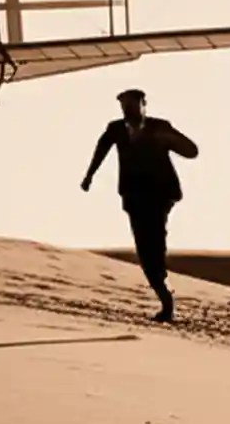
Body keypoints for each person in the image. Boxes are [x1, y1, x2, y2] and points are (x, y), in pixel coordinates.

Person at [80, 88, 198, 323]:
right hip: (134, 197)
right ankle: (163, 293)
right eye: (124, 107)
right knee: (144, 250)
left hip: (160, 195)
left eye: (133, 106)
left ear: (144, 105)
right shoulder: (115, 129)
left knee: (155, 242)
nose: (128, 111)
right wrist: (89, 176)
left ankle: (166, 302)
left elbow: (191, 151)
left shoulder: (160, 127)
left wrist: (168, 139)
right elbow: (101, 149)